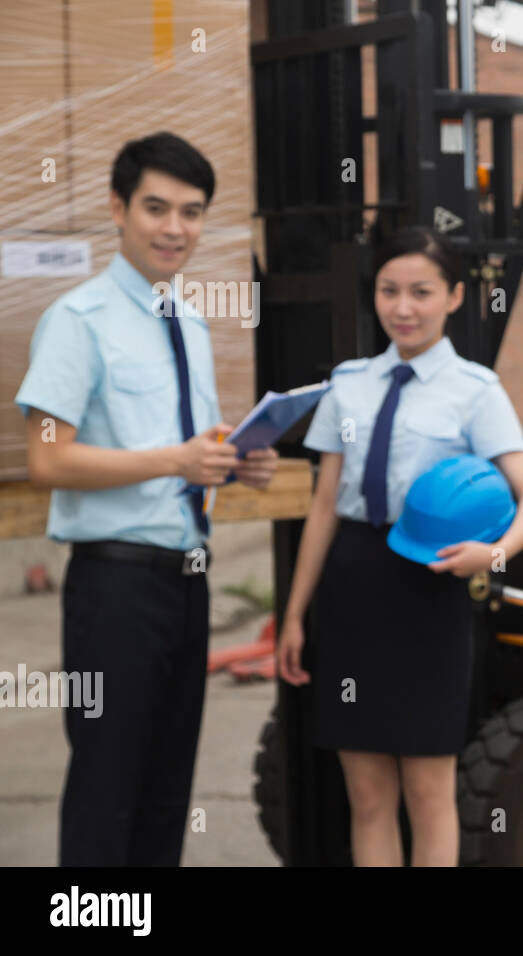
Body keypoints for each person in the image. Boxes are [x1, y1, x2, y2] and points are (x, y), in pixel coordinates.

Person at [16, 131, 279, 866]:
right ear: (117, 208)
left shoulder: (187, 325)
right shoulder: (77, 321)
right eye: (156, 208)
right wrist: (176, 459)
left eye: (191, 213)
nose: (174, 228)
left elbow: (175, 454)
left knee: (167, 787)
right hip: (115, 587)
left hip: (187, 582)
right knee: (108, 784)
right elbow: (47, 459)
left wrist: (229, 463)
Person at [275, 225, 523, 867]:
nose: (404, 307)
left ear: (455, 296)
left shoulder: (474, 390)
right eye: (389, 290)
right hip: (351, 586)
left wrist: (497, 554)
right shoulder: (348, 384)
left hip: (429, 589)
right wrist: (295, 613)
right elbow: (323, 506)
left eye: (422, 292)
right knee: (367, 794)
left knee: (428, 792)